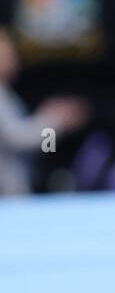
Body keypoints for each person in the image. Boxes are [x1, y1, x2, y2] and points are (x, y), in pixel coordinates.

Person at [0, 29, 89, 195]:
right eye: (5, 55)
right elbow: (20, 138)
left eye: (12, 54)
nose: (12, 61)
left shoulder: (6, 92)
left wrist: (48, 118)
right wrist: (55, 118)